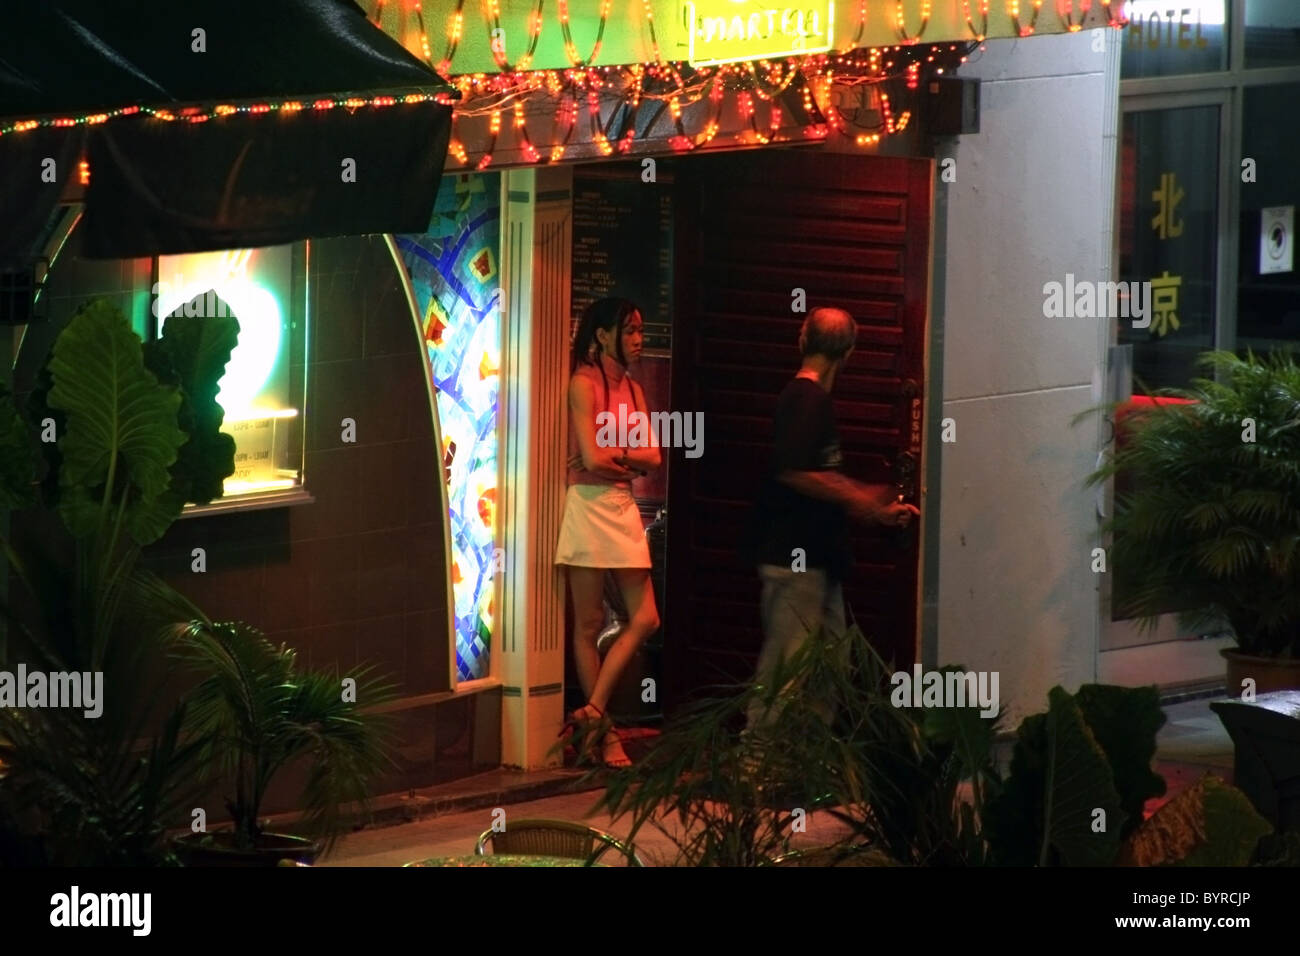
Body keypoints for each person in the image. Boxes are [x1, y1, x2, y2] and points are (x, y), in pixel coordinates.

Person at [742, 306, 919, 731]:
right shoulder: (805, 400)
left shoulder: (813, 400)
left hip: (817, 560)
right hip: (794, 559)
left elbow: (813, 473)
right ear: (850, 352)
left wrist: (871, 505)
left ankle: (809, 762)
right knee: (788, 668)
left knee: (827, 669)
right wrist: (863, 499)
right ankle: (756, 761)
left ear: (803, 341)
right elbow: (796, 470)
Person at [555, 297, 661, 767]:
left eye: (640, 331)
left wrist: (612, 457)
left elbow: (653, 457)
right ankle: (607, 732)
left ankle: (593, 711)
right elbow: (591, 458)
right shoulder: (583, 383)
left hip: (620, 504)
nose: (639, 340)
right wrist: (623, 457)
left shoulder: (634, 391)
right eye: (630, 331)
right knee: (589, 623)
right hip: (587, 505)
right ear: (602, 335)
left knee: (647, 618)